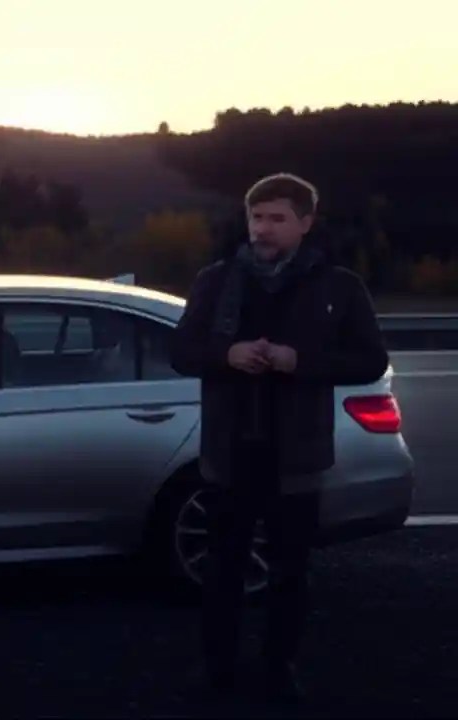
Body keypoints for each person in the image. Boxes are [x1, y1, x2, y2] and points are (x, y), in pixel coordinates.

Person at [169, 173, 389, 702]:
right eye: (256, 217)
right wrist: (228, 355)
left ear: (305, 223)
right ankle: (217, 670)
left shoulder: (338, 287)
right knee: (222, 571)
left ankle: (279, 669)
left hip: (296, 456)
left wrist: (300, 362)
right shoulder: (216, 281)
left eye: (277, 218)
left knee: (290, 574)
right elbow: (181, 352)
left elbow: (370, 360)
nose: (262, 229)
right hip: (230, 453)